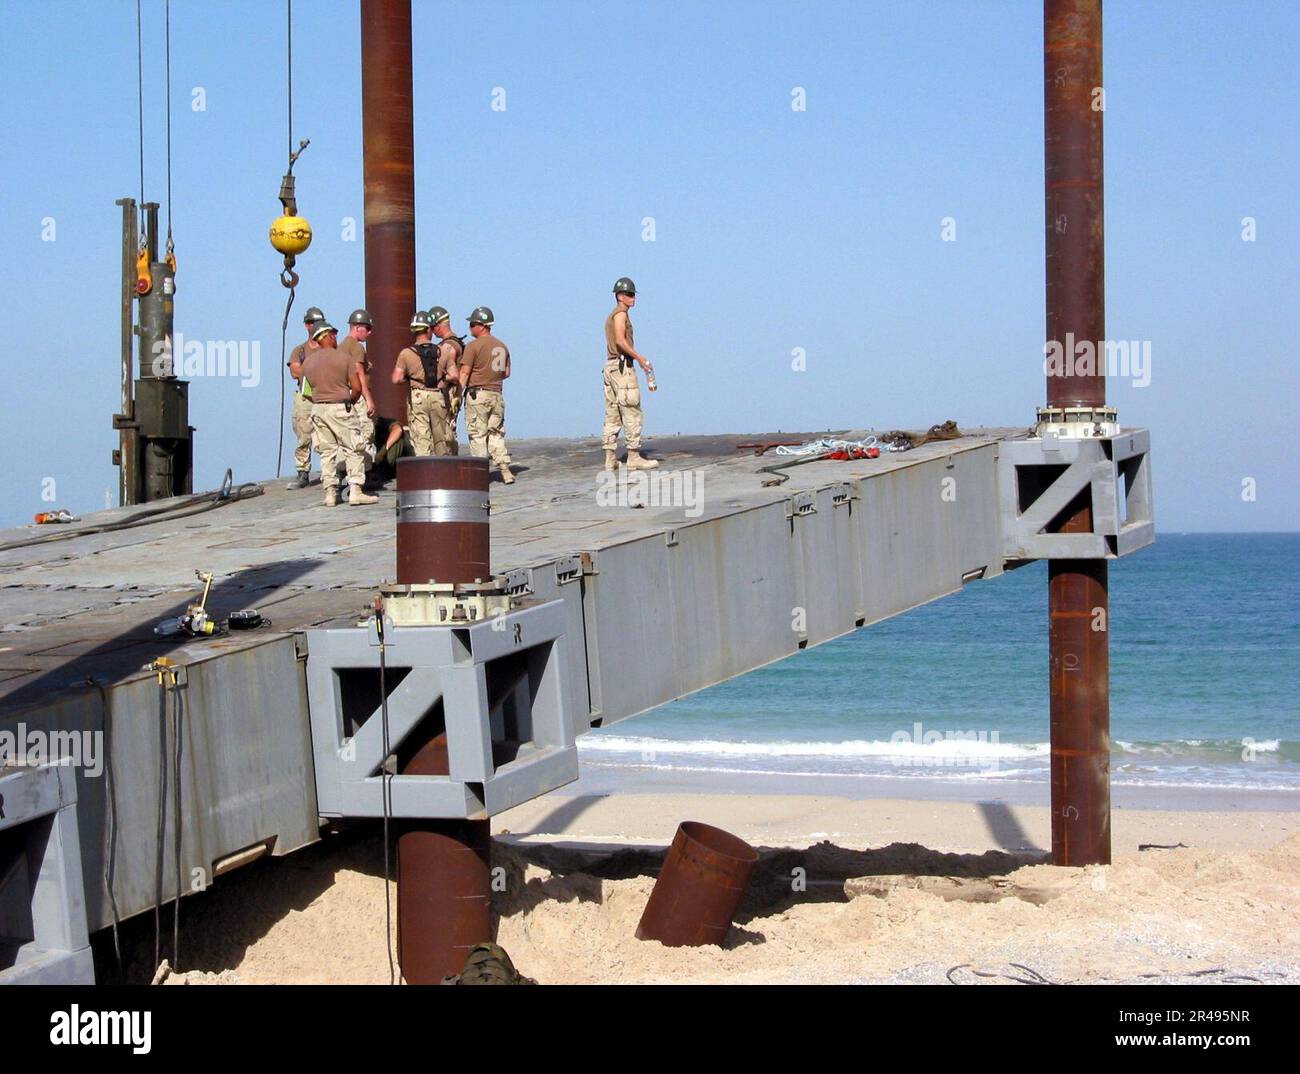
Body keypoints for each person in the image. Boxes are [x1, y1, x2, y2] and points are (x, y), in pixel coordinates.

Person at [301, 323, 379, 507]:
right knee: (353, 447)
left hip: (319, 409)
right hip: (340, 406)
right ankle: (356, 491)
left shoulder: (308, 363)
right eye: (333, 334)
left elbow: (305, 391)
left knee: (327, 452)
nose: (336, 337)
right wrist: (347, 400)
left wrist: (321, 400)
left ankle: (330, 493)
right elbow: (357, 387)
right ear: (328, 336)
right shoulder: (344, 359)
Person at [603, 277, 658, 470]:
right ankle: (633, 456)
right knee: (632, 411)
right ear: (619, 296)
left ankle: (610, 458)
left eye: (633, 294)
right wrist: (640, 358)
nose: (633, 297)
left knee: (613, 414)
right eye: (629, 294)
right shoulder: (620, 315)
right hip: (622, 368)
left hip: (611, 367)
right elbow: (620, 341)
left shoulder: (613, 315)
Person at [457, 306, 513, 483]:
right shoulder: (502, 346)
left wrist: (457, 395)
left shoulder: (473, 346)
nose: (470, 328)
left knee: (478, 435)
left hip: (477, 395)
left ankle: (480, 476)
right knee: (496, 433)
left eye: (473, 324)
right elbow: (506, 373)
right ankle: (505, 469)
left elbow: (464, 373)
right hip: (496, 394)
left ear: (481, 325)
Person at [285, 305, 326, 489]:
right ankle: (303, 472)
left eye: (318, 323)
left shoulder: (330, 348)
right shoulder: (299, 350)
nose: (314, 326)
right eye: (311, 323)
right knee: (303, 436)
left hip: (325, 397)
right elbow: (295, 371)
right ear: (306, 325)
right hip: (305, 398)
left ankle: (329, 472)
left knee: (327, 436)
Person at [392, 311, 443, 455]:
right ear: (428, 329)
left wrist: (409, 378)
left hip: (418, 397)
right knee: (441, 438)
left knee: (421, 438)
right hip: (438, 396)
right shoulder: (441, 351)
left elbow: (396, 379)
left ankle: (426, 472)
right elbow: (453, 375)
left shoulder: (406, 353)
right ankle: (444, 469)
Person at [339, 309, 378, 471]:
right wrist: (369, 400)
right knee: (365, 434)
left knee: (348, 436)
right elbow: (360, 374)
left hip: (345, 397)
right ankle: (365, 473)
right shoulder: (356, 347)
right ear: (357, 327)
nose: (369, 333)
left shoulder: (341, 346)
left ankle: (346, 470)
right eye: (367, 328)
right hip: (359, 396)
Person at [428, 306, 464, 455]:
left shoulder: (448, 346)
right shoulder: (457, 343)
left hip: (447, 393)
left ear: (437, 326)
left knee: (444, 433)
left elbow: (452, 374)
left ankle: (448, 465)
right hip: (454, 392)